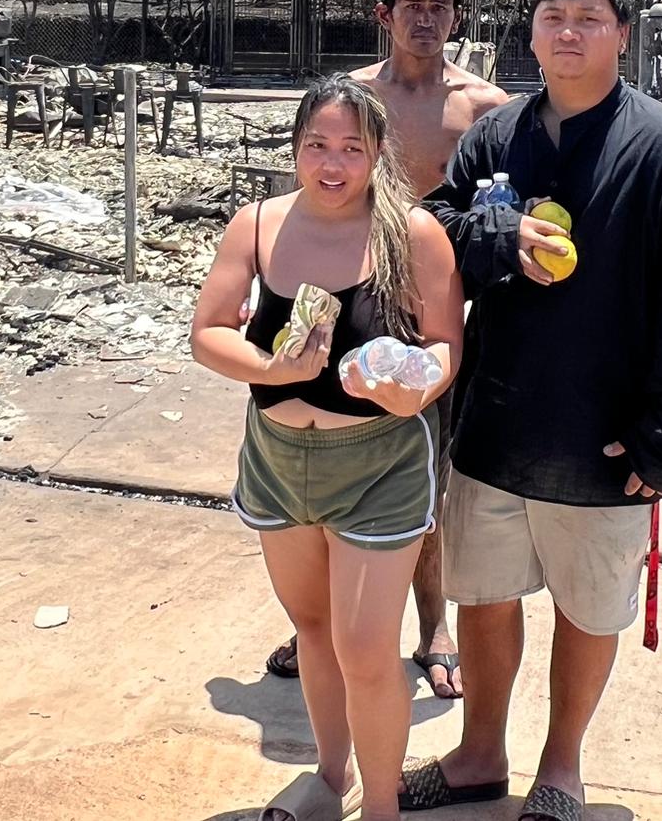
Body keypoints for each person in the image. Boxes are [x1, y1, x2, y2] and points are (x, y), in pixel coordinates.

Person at [400, 0, 662, 820]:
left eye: (589, 17)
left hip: (605, 431)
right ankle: (478, 755)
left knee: (589, 606)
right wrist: (497, 236)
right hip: (496, 419)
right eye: (554, 16)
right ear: (533, 33)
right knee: (484, 594)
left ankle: (561, 770)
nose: (569, 32)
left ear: (623, 34)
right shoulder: (497, 136)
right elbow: (434, 228)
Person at [192, 75, 465, 821]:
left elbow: (445, 346)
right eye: (317, 145)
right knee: (314, 632)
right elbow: (209, 332)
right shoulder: (257, 224)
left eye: (351, 148)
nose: (332, 164)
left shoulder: (412, 232)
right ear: (295, 149)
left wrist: (412, 392)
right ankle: (330, 775)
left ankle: (381, 807)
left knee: (366, 649)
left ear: (377, 154)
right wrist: (271, 369)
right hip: (278, 461)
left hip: (380, 464)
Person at [265, 0, 508, 700]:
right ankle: (322, 624)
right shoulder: (351, 101)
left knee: (425, 475)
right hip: (344, 305)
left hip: (431, 317)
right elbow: (309, 189)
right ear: (385, 15)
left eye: (440, 5)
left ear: (457, 16)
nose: (426, 18)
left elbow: (506, 212)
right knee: (320, 467)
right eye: (412, 5)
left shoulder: (486, 108)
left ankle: (433, 626)